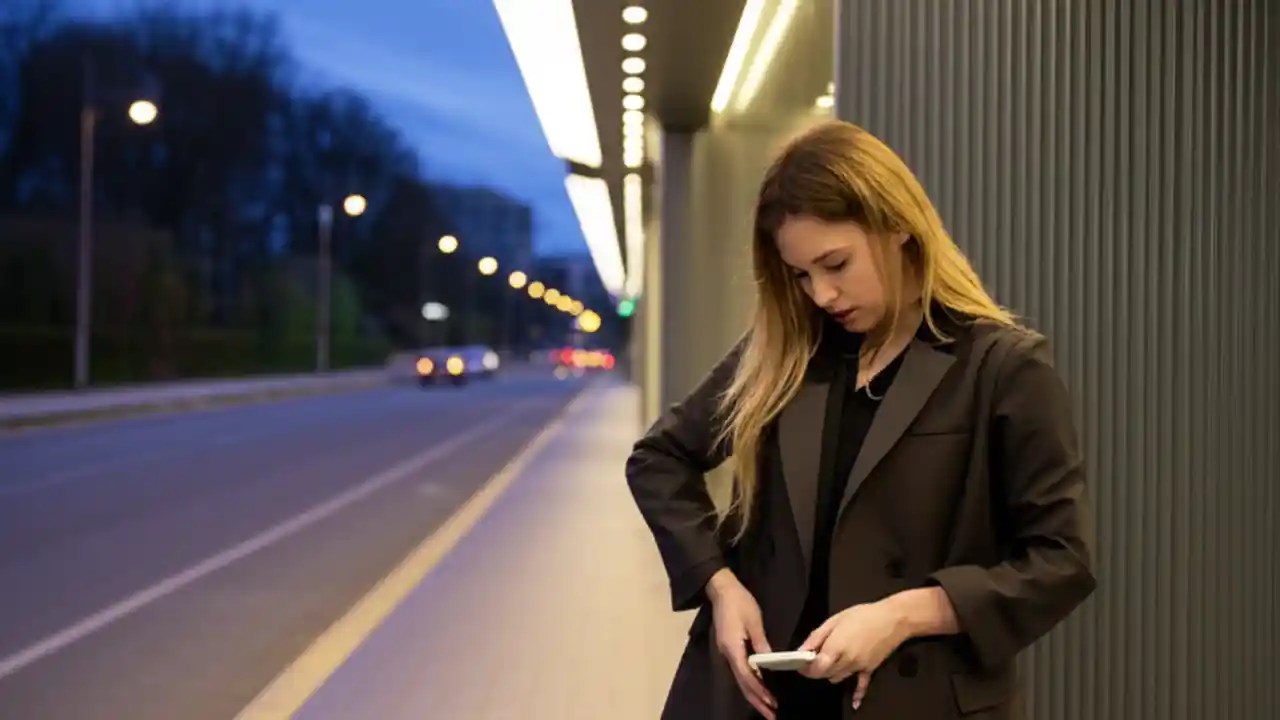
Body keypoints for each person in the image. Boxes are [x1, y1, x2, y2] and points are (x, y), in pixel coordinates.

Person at [625, 120, 1095, 720]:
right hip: (762, 698)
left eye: (836, 264)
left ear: (897, 225)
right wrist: (720, 586)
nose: (820, 295)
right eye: (800, 275)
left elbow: (1061, 561)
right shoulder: (785, 353)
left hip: (913, 700)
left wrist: (900, 615)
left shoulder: (1000, 367)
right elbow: (658, 458)